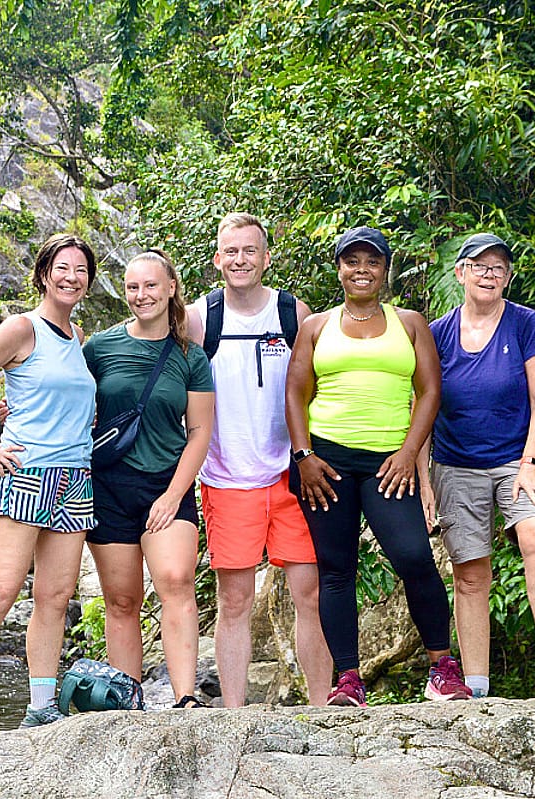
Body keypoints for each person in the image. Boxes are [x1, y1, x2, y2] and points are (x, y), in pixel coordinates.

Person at [284, 225, 469, 707]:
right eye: (352, 261)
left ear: (385, 270)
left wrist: (409, 453)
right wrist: (303, 456)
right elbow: (295, 393)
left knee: (414, 558)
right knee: (337, 569)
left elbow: (430, 391)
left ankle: (442, 670)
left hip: (391, 461)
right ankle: (348, 679)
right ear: (339, 268)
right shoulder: (316, 327)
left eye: (372, 262)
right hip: (327, 463)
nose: (361, 269)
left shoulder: (409, 323)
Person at [0, 233, 98, 734]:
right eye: (62, 268)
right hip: (25, 473)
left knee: (54, 596)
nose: (72, 277)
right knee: (0, 589)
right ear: (44, 273)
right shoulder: (22, 328)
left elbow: (57, 400)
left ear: (88, 282)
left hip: (76, 476)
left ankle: (41, 707)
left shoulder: (78, 338)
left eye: (81, 270)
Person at [184, 212, 333, 707]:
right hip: (227, 479)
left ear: (266, 258)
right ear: (217, 259)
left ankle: (320, 709)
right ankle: (233, 717)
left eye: (250, 250)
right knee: (234, 602)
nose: (240, 260)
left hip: (292, 477)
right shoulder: (202, 318)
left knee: (308, 596)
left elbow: (317, 386)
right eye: (231, 251)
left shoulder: (293, 313)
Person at [421, 232, 535, 705]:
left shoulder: (526, 324)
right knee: (470, 571)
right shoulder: (436, 333)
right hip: (454, 463)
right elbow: (422, 405)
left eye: (499, 268)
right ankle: (479, 686)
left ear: (508, 277)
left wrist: (531, 462)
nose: (490, 275)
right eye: (480, 266)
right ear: (460, 273)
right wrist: (424, 480)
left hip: (516, 457)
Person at [85, 249, 215, 708]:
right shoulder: (99, 348)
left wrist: (173, 494)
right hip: (108, 488)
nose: (142, 295)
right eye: (133, 287)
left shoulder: (189, 357)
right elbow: (66, 396)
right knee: (122, 601)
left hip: (167, 483)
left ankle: (186, 698)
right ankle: (125, 703)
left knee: (176, 579)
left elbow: (199, 431)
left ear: (171, 288)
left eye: (151, 285)